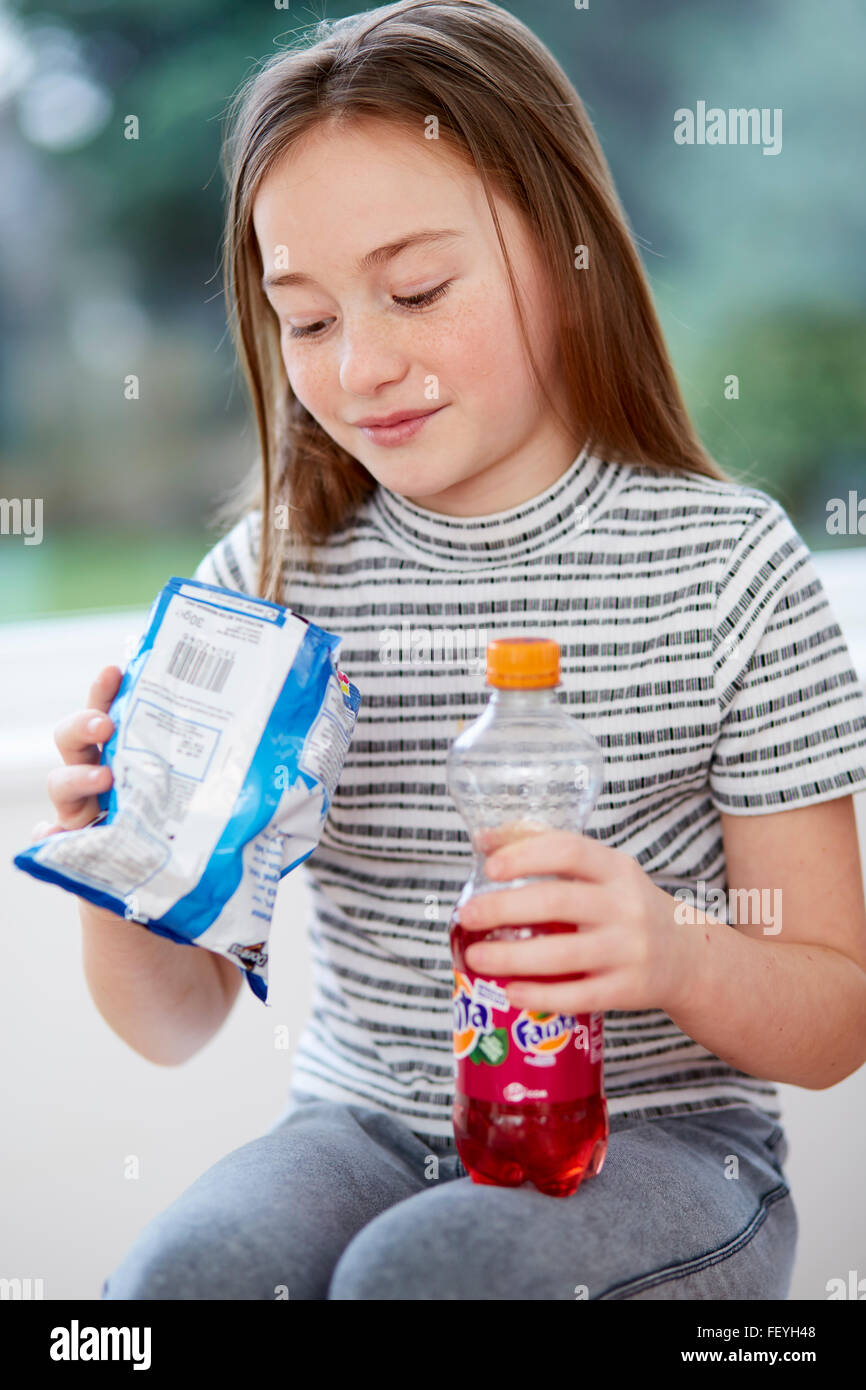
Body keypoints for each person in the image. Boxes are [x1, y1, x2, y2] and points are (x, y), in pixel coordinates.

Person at [39, 0, 866, 1299]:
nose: (363, 364)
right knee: (187, 1271)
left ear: (565, 247)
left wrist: (671, 950)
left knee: (434, 1274)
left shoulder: (724, 568)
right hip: (362, 1127)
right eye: (306, 322)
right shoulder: (268, 581)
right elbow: (169, 1022)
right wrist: (125, 862)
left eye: (416, 290)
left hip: (666, 1148)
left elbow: (834, 1016)